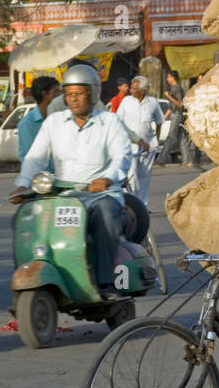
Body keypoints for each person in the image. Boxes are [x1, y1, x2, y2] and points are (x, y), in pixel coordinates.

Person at [10, 64, 131, 297]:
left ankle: (106, 282)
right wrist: (23, 183)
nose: (72, 100)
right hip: (64, 197)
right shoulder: (54, 123)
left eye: (79, 94)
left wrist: (108, 178)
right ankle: (35, 277)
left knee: (105, 216)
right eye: (68, 94)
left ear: (93, 93)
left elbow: (122, 156)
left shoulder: (110, 122)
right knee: (23, 218)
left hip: (100, 196)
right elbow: (35, 157)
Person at [117, 76, 165, 204]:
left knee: (144, 177)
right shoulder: (126, 101)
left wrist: (157, 140)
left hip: (149, 146)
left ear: (142, 90)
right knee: (131, 175)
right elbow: (118, 121)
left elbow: (159, 121)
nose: (130, 90)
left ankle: (142, 205)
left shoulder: (153, 102)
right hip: (130, 146)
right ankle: (131, 204)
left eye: (133, 88)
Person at [17, 76, 61, 162]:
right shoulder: (27, 124)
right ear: (44, 94)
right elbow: (32, 158)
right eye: (56, 91)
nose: (59, 95)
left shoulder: (57, 118)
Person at [157, 69, 194, 165]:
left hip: (177, 115)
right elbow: (170, 107)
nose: (167, 79)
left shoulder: (177, 88)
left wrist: (169, 96)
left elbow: (180, 104)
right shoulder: (173, 88)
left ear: (173, 77)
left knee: (171, 137)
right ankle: (188, 160)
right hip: (175, 114)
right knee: (182, 138)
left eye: (168, 77)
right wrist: (164, 117)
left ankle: (161, 160)